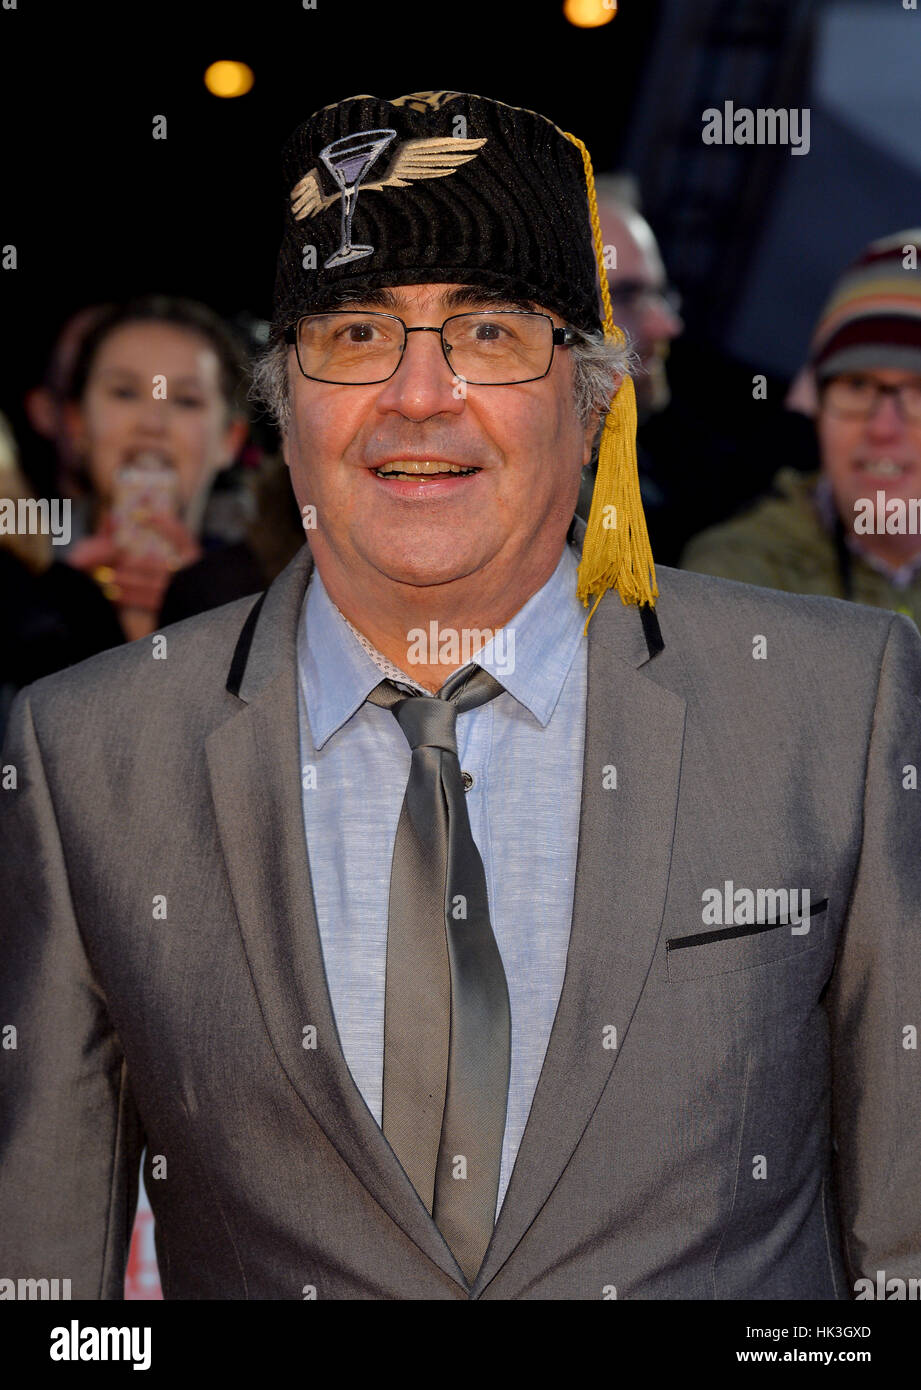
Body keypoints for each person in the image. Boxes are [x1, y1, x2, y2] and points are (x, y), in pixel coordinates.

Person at [1, 90, 919, 1302]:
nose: (419, 396)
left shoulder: (834, 706)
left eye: (489, 334)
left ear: (594, 398)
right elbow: (51, 1294)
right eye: (355, 334)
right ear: (283, 398)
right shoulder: (87, 754)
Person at [681, 231, 921, 626]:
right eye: (857, 386)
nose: (881, 426)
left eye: (916, 391)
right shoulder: (736, 577)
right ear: (817, 402)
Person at [58, 296, 253, 641]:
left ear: (230, 440)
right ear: (77, 425)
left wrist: (208, 607)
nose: (152, 423)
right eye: (124, 392)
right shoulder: (17, 594)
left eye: (186, 400)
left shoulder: (274, 602)